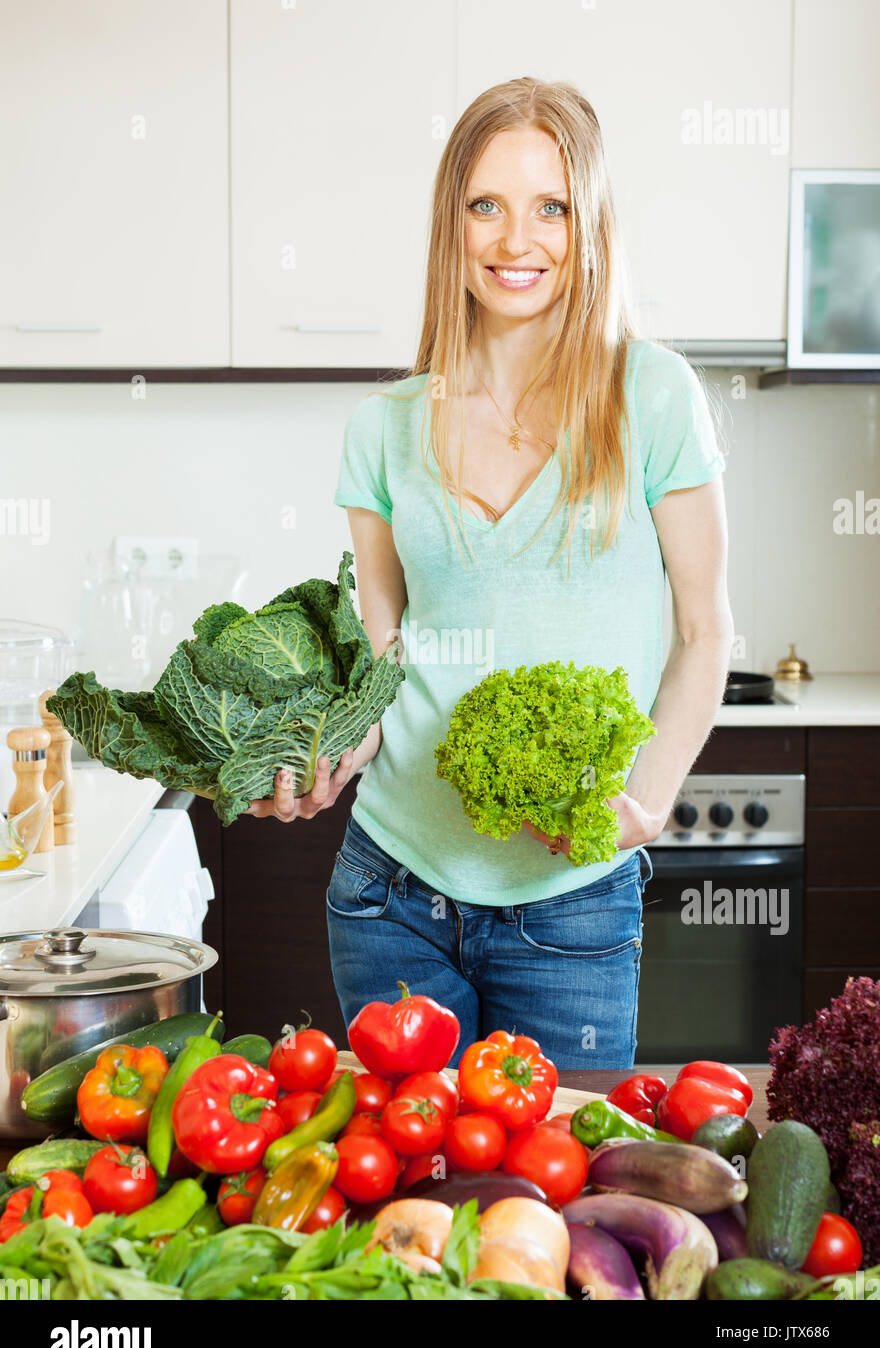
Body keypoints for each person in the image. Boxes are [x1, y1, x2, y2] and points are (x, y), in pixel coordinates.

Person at [248, 77, 734, 1070]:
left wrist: (646, 798)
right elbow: (382, 662)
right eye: (487, 206)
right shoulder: (383, 428)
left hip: (572, 903)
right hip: (390, 891)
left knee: (558, 1211)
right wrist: (322, 757)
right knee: (413, 1208)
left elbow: (704, 630)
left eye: (548, 206)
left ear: (585, 221)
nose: (518, 240)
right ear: (452, 223)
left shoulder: (653, 396)